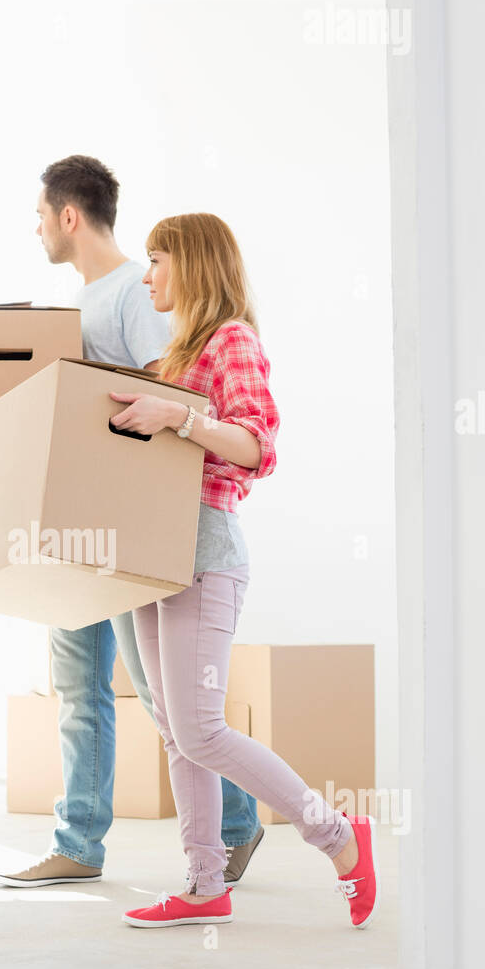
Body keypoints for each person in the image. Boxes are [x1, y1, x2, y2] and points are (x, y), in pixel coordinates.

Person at [103, 212, 379, 930]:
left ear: (191, 264)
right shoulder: (173, 356)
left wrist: (180, 419)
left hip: (204, 551)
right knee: (175, 730)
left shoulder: (231, 341)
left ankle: (339, 837)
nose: (146, 274)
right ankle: (203, 885)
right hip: (152, 555)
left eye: (157, 260)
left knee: (200, 729)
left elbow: (259, 446)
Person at [0, 159, 263, 890]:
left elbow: (168, 399)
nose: (37, 227)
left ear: (69, 216)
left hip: (130, 527)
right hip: (76, 520)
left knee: (158, 695)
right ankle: (79, 842)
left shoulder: (133, 297)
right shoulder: (81, 304)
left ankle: (236, 825)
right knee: (79, 683)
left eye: (41, 214)